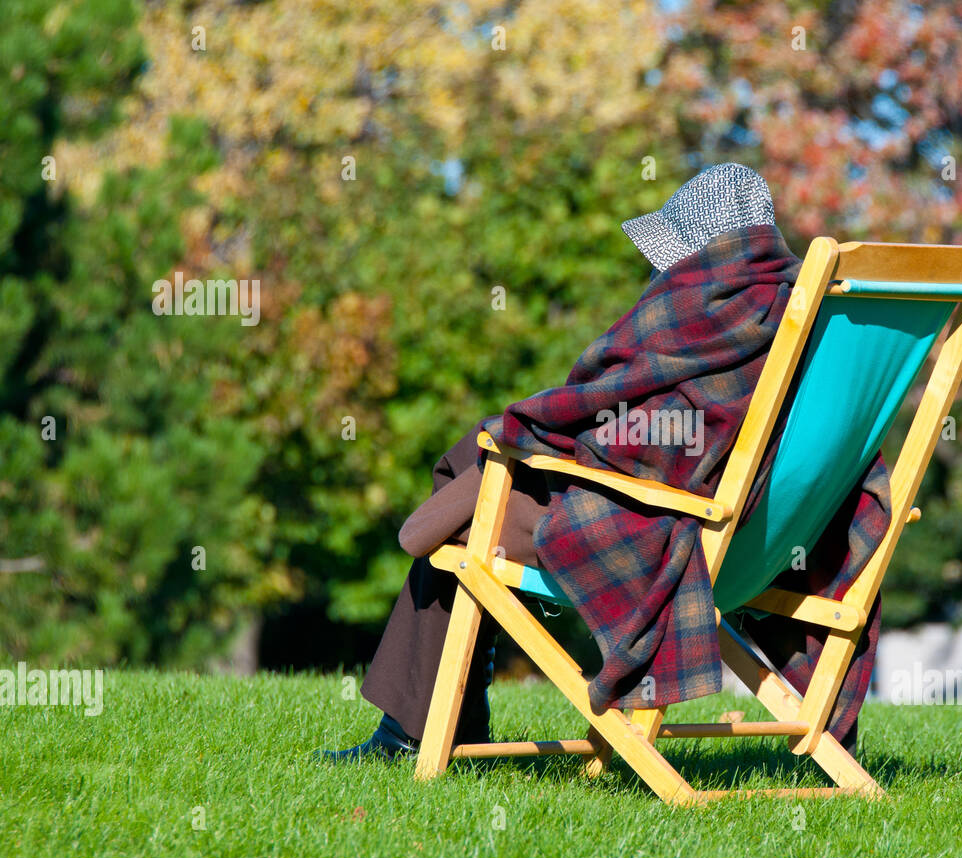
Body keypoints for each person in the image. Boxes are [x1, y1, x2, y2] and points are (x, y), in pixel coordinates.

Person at [319, 163, 890, 762]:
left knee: (470, 491)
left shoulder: (705, 307)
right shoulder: (804, 313)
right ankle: (436, 718)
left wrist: (546, 434)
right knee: (477, 463)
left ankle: (414, 734)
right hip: (763, 539)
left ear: (696, 252)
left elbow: (646, 433)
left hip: (668, 528)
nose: (657, 271)